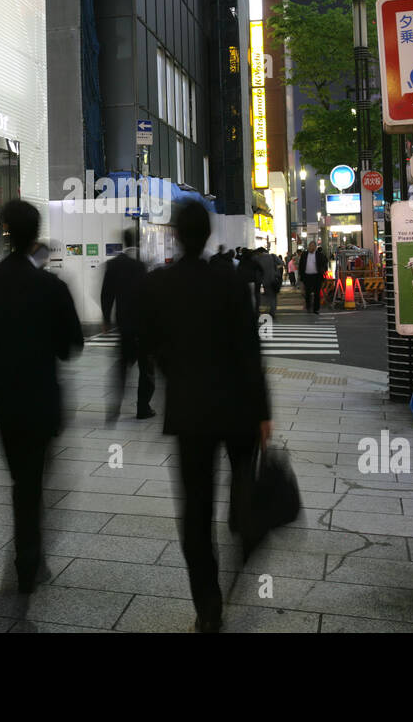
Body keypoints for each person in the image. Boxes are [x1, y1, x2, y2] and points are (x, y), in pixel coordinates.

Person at [139, 200, 270, 633]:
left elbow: (150, 346)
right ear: (210, 234)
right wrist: (263, 412)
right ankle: (245, 534)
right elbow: (251, 351)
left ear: (176, 234)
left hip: (191, 411)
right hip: (237, 409)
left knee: (195, 512)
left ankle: (208, 606)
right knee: (243, 489)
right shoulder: (230, 283)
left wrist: (174, 370)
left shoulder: (161, 285)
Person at [0, 200, 84, 594]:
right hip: (42, 393)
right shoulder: (52, 286)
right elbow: (72, 346)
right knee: (33, 479)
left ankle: (27, 555)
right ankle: (29, 557)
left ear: (4, 231)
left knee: (21, 478)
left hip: (5, 393)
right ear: (35, 235)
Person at [101, 227, 155, 421]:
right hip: (143, 325)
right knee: (146, 367)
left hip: (124, 324)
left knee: (123, 365)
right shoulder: (141, 266)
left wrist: (106, 319)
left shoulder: (113, 265)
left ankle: (114, 406)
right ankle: (143, 408)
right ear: (137, 242)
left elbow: (106, 294)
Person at [299, 240, 328, 315]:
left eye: (313, 246)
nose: (311, 247)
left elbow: (325, 263)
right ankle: (308, 307)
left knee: (317, 293)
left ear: (315, 247)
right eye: (310, 246)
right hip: (307, 276)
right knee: (307, 293)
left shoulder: (319, 255)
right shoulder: (304, 254)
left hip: (317, 276)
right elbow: (301, 266)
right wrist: (301, 277)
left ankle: (316, 309)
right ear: (308, 247)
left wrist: (323, 271)